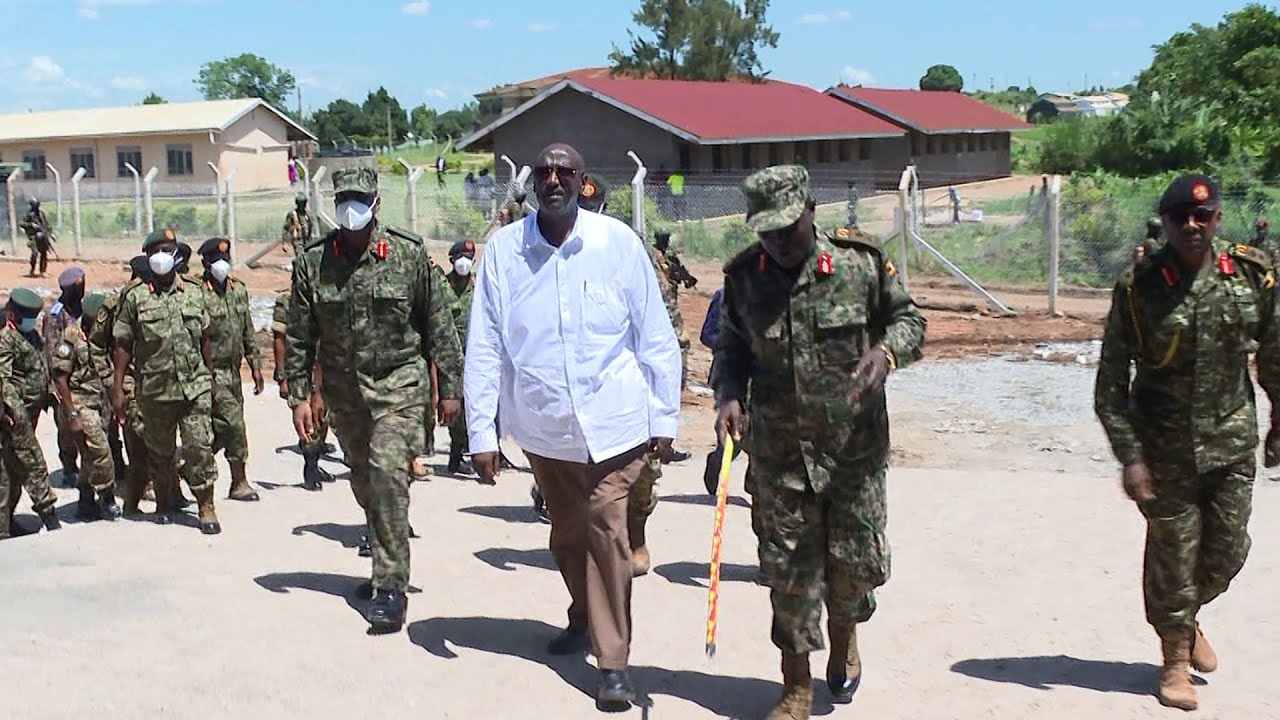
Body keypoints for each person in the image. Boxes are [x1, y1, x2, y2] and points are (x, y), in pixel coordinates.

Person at [464, 143, 681, 708]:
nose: (554, 179)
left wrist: (664, 415)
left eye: (565, 171)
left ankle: (613, 663)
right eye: (545, 172)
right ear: (533, 183)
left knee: (608, 531)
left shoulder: (617, 245)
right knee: (566, 536)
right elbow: (484, 344)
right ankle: (583, 615)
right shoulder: (506, 252)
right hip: (544, 430)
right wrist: (481, 434)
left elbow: (654, 334)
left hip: (616, 425)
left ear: (583, 181)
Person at [712, 165, 927, 719]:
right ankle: (796, 684)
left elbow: (908, 319)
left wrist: (888, 352)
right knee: (788, 574)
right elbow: (730, 350)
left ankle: (845, 629)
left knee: (854, 568)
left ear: (811, 211)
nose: (780, 242)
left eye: (788, 228)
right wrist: (729, 395)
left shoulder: (860, 265)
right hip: (781, 455)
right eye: (767, 232)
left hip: (854, 452)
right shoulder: (744, 279)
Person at [1094, 173, 1280, 712]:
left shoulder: (1251, 277)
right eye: (1180, 217)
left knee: (1228, 551)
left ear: (1218, 218)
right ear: (1166, 222)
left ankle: (1187, 616)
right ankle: (1174, 659)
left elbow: (1274, 352)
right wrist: (1130, 456)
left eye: (1203, 216)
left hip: (1231, 441)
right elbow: (1110, 384)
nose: (1192, 226)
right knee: (1174, 556)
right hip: (1164, 450)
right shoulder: (1139, 287)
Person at [285, 166, 463, 634]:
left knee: (386, 474)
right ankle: (384, 552)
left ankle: (391, 587)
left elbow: (438, 322)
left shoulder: (407, 254)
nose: (351, 207)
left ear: (377, 203)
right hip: (347, 394)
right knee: (364, 481)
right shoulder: (312, 262)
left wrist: (450, 388)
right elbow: (300, 336)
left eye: (359, 198)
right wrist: (301, 396)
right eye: (343, 198)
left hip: (400, 387)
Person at [111, 228, 222, 534]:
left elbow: (206, 338)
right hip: (155, 390)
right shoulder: (135, 297)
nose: (162, 257)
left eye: (167, 250)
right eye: (155, 251)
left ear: (176, 255)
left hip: (193, 385)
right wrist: (118, 386)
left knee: (199, 446)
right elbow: (123, 343)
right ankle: (164, 501)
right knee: (160, 452)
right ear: (148, 257)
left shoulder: (195, 291)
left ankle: (205, 506)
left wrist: (210, 378)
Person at [198, 237, 265, 502]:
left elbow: (247, 329)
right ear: (205, 263)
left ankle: (185, 465)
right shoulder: (197, 294)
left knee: (219, 429)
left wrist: (256, 365)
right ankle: (239, 482)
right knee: (234, 426)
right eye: (216, 260)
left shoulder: (238, 290)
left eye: (226, 260)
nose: (222, 265)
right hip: (212, 372)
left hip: (234, 372)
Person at [50, 289, 120, 522]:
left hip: (102, 401)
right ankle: (107, 496)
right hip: (79, 403)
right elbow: (60, 378)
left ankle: (85, 499)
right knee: (101, 451)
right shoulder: (71, 337)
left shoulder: (107, 335)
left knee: (90, 455)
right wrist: (71, 414)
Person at [0, 288, 61, 537]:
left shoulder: (30, 335)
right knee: (33, 462)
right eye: (27, 316)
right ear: (12, 314)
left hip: (30, 411)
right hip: (15, 417)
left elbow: (39, 366)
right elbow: (3, 380)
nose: (31, 321)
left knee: (8, 470)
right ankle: (49, 515)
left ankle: (3, 525)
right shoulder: (5, 339)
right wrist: (14, 413)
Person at [272, 290, 333, 492]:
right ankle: (310, 468)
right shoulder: (287, 300)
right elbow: (279, 338)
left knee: (323, 418)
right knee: (310, 420)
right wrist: (282, 377)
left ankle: (315, 460)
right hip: (301, 368)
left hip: (324, 366)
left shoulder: (325, 295)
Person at [44, 266, 89, 487]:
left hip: (85, 377)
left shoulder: (84, 308)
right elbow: (53, 351)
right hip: (64, 378)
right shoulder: (56, 314)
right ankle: (69, 467)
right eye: (78, 287)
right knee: (66, 428)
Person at [445, 239, 476, 476]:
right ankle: (456, 455)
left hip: (475, 355)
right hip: (450, 356)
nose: (463, 262)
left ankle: (465, 453)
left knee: (473, 406)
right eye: (459, 258)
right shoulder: (443, 288)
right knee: (456, 406)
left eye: (468, 257)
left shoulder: (479, 287)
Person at [19, 198, 53, 277]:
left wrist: (49, 233)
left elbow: (46, 224)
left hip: (42, 235)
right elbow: (21, 223)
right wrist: (31, 225)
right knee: (35, 253)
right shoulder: (28, 214)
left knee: (44, 253)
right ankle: (32, 269)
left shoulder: (41, 214)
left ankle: (43, 271)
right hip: (33, 236)